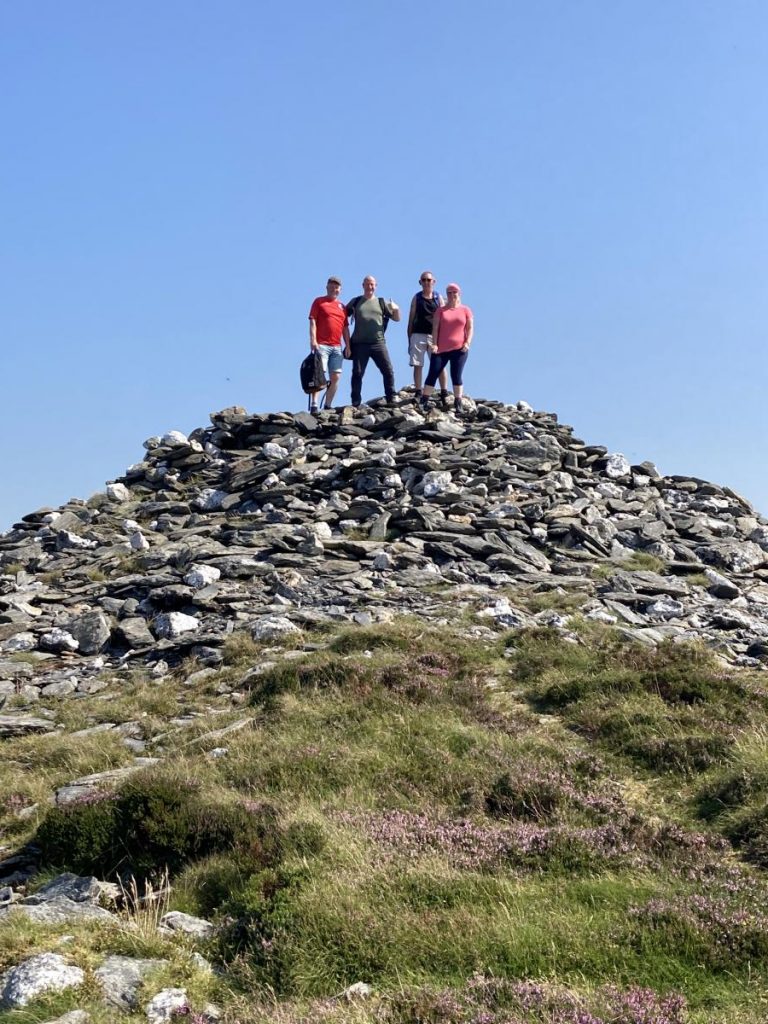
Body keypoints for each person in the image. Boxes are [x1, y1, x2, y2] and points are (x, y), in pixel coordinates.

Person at [345, 275, 401, 407]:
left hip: (378, 342)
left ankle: (391, 396)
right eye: (367, 284)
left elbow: (397, 319)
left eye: (372, 284)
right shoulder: (356, 301)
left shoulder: (381, 302)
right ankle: (355, 401)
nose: (370, 287)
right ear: (363, 285)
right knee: (357, 373)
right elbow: (342, 316)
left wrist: (396, 308)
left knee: (388, 370)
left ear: (375, 286)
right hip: (360, 344)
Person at [421, 283, 473, 415]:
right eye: (449, 293)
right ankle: (424, 401)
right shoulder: (441, 310)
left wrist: (467, 342)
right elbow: (435, 328)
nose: (451, 295)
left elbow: (470, 328)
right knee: (433, 373)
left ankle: (458, 402)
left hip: (459, 348)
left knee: (456, 375)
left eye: (454, 292)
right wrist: (434, 344)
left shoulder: (465, 310)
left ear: (459, 293)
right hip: (441, 349)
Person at [308, 276, 350, 413]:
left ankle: (327, 405)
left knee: (336, 376)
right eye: (332, 286)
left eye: (336, 287)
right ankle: (314, 404)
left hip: (337, 346)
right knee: (319, 374)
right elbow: (312, 320)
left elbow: (345, 328)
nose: (334, 289)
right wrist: (313, 340)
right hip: (322, 345)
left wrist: (348, 346)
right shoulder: (319, 301)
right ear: (327, 287)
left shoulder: (342, 307)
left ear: (340, 290)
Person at [407, 270, 448, 404]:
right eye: (423, 280)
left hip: (434, 336)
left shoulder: (438, 298)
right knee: (418, 364)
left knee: (439, 365)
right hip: (418, 334)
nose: (426, 282)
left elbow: (444, 317)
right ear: (420, 282)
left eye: (428, 280)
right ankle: (419, 391)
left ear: (433, 282)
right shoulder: (417, 298)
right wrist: (410, 337)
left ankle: (444, 391)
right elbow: (411, 318)